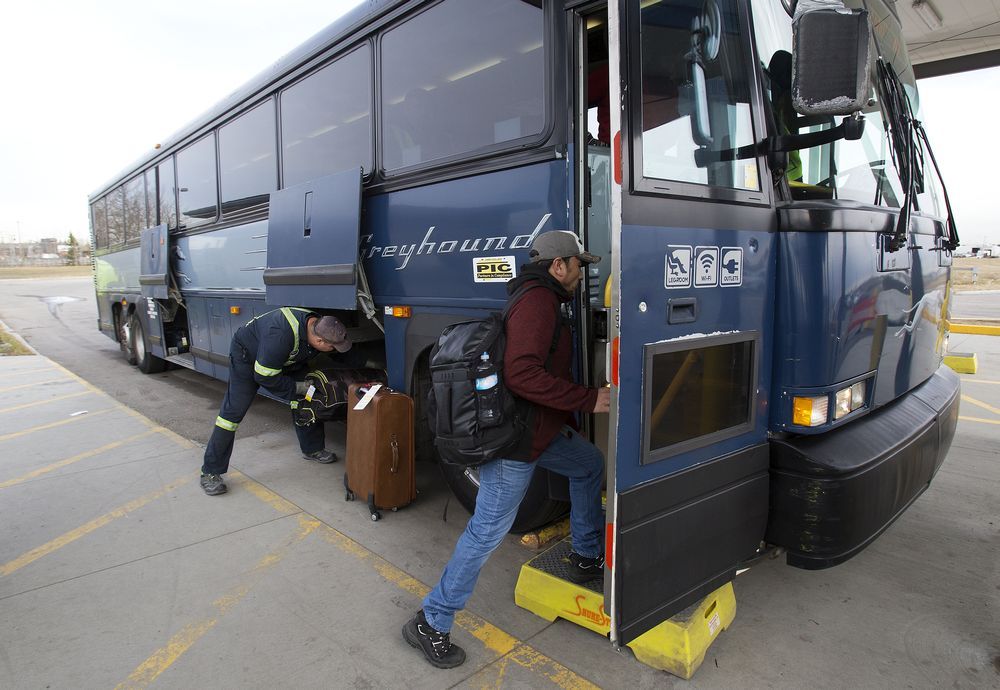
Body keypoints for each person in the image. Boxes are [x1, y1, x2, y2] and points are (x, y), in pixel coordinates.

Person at [403, 230, 611, 669]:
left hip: (540, 431)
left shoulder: (541, 298)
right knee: (487, 532)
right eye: (579, 265)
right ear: (559, 265)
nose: (582, 274)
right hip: (518, 440)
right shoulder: (538, 302)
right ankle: (431, 621)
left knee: (589, 464)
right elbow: (522, 376)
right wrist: (587, 399)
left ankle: (586, 554)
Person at [199, 307, 352, 496]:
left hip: (285, 358)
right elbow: (264, 376)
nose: (334, 351)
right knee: (231, 415)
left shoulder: (318, 324)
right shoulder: (279, 335)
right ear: (319, 341)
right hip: (248, 358)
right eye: (332, 347)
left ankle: (312, 449)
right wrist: (297, 388)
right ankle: (210, 472)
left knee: (306, 398)